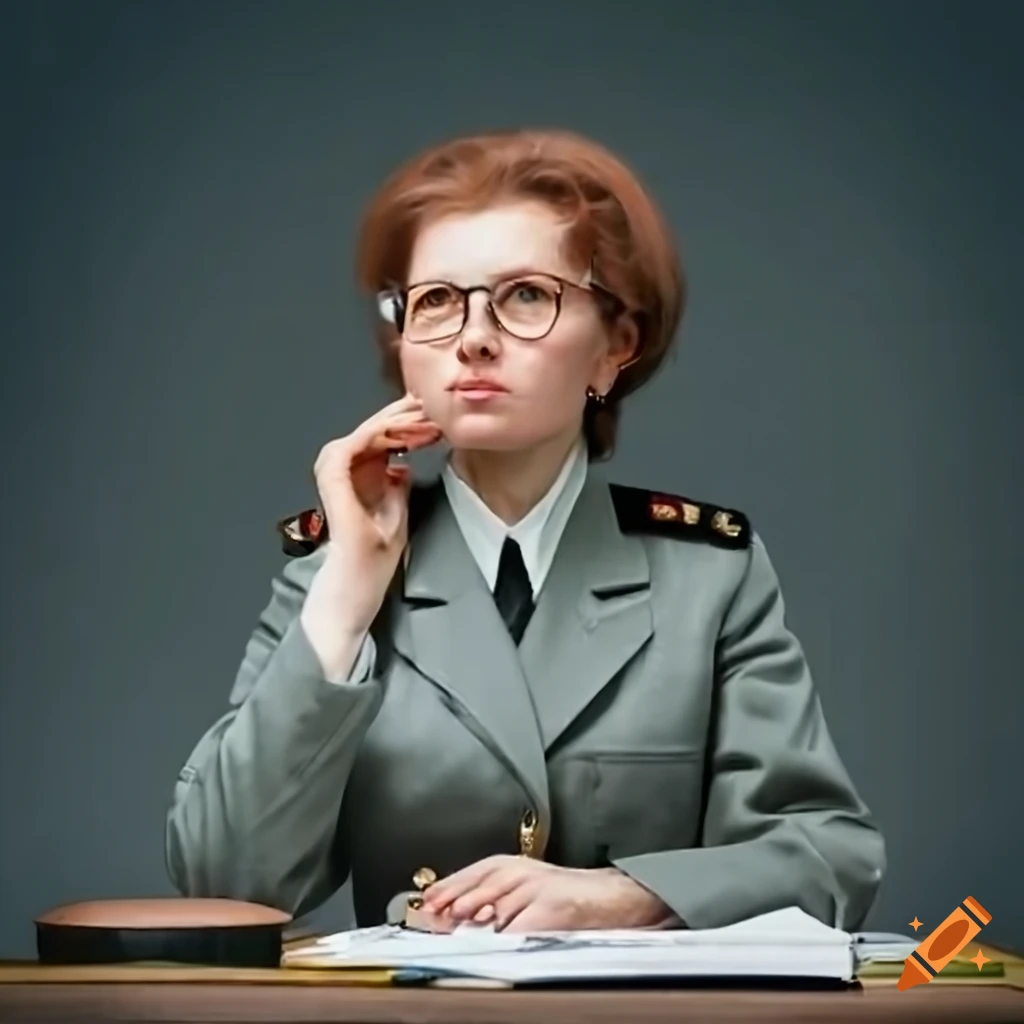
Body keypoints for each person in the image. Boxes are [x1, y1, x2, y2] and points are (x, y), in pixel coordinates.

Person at [165, 129, 885, 934]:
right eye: (436, 301)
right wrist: (342, 605)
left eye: (525, 296)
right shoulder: (338, 568)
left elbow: (829, 856)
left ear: (615, 347)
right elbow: (222, 882)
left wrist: (617, 894)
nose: (472, 337)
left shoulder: (707, 577)